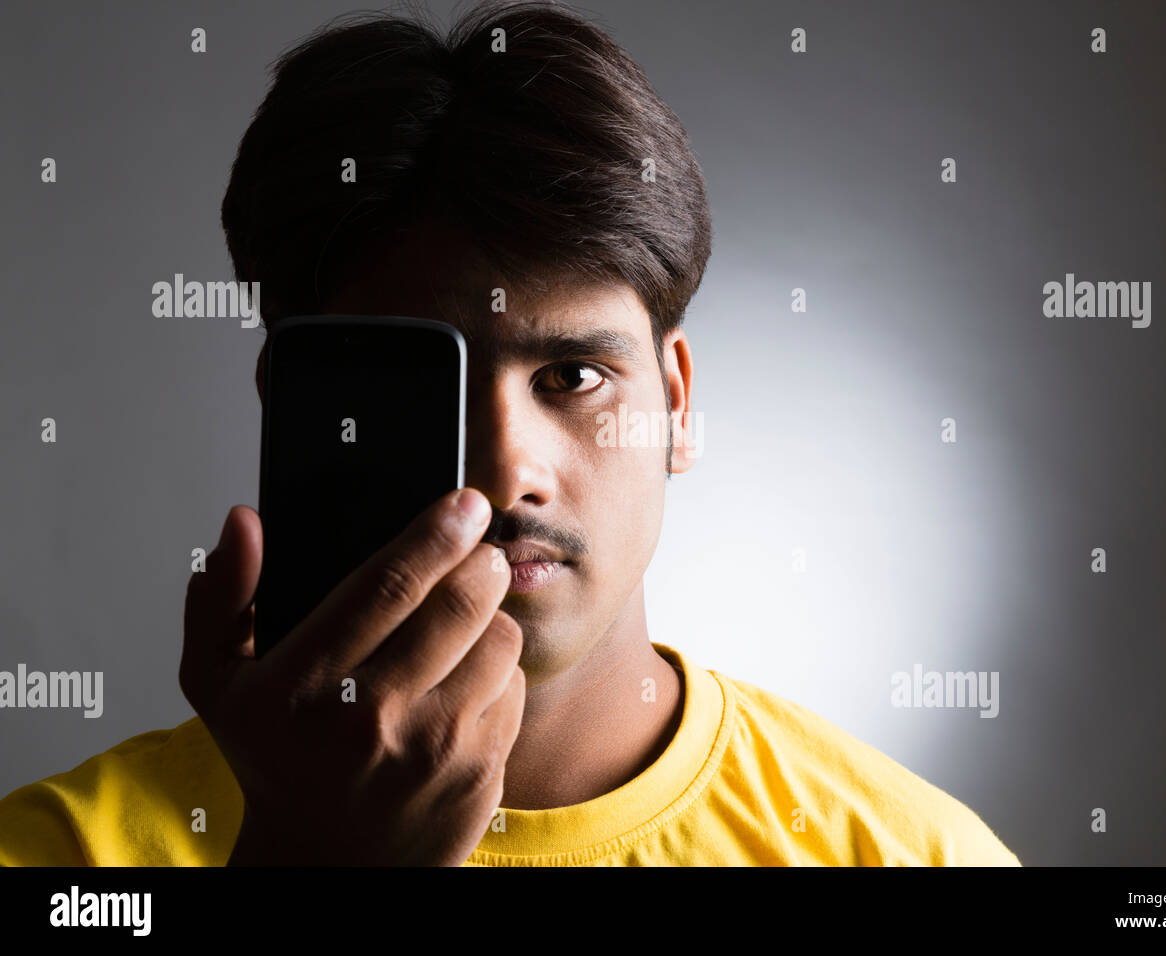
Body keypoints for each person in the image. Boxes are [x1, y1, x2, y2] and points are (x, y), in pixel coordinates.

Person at [0, 0, 1019, 866]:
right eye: (418, 386)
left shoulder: (911, 851)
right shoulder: (65, 853)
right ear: (293, 404)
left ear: (677, 403)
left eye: (573, 375)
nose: (504, 470)